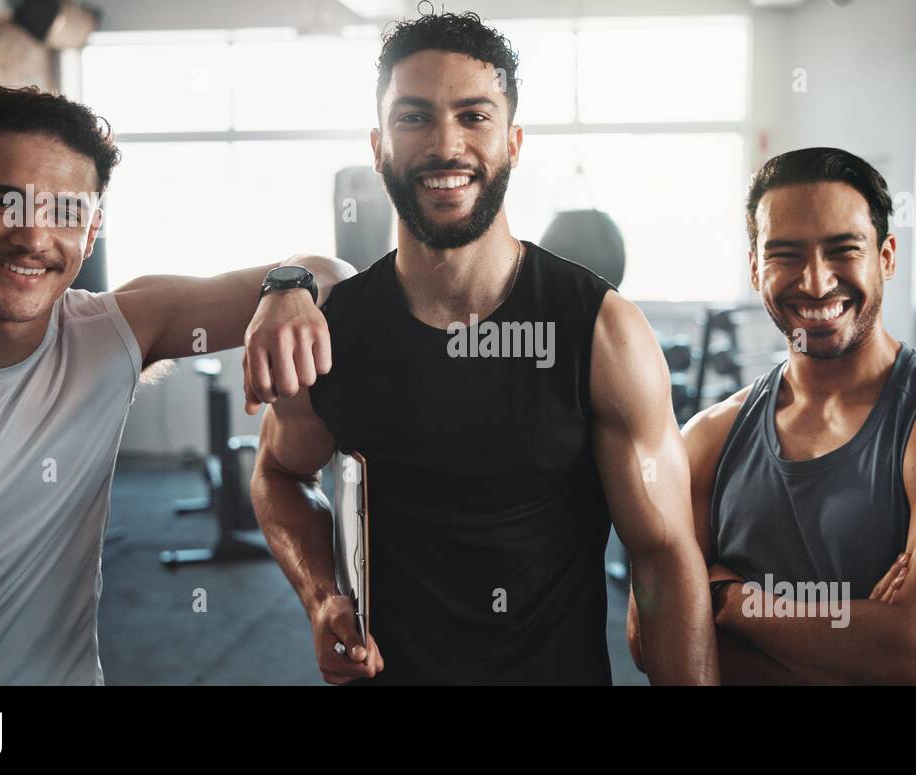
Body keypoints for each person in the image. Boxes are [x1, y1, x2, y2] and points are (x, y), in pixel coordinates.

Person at [248, 11, 716, 685]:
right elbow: (277, 473)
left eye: (473, 116)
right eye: (414, 118)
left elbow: (666, 558)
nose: (446, 145)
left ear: (514, 140)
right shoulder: (338, 332)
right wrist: (322, 594)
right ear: (377, 146)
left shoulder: (600, 331)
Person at [0, 85, 349, 685]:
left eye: (65, 212)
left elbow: (336, 274)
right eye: (4, 201)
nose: (33, 237)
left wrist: (287, 288)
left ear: (92, 234)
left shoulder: (110, 335)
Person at [629, 147, 916, 684]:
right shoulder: (707, 441)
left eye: (843, 250)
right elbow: (653, 641)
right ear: (754, 267)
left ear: (886, 257)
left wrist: (729, 602)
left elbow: (915, 656)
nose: (815, 283)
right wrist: (858, 646)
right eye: (786, 254)